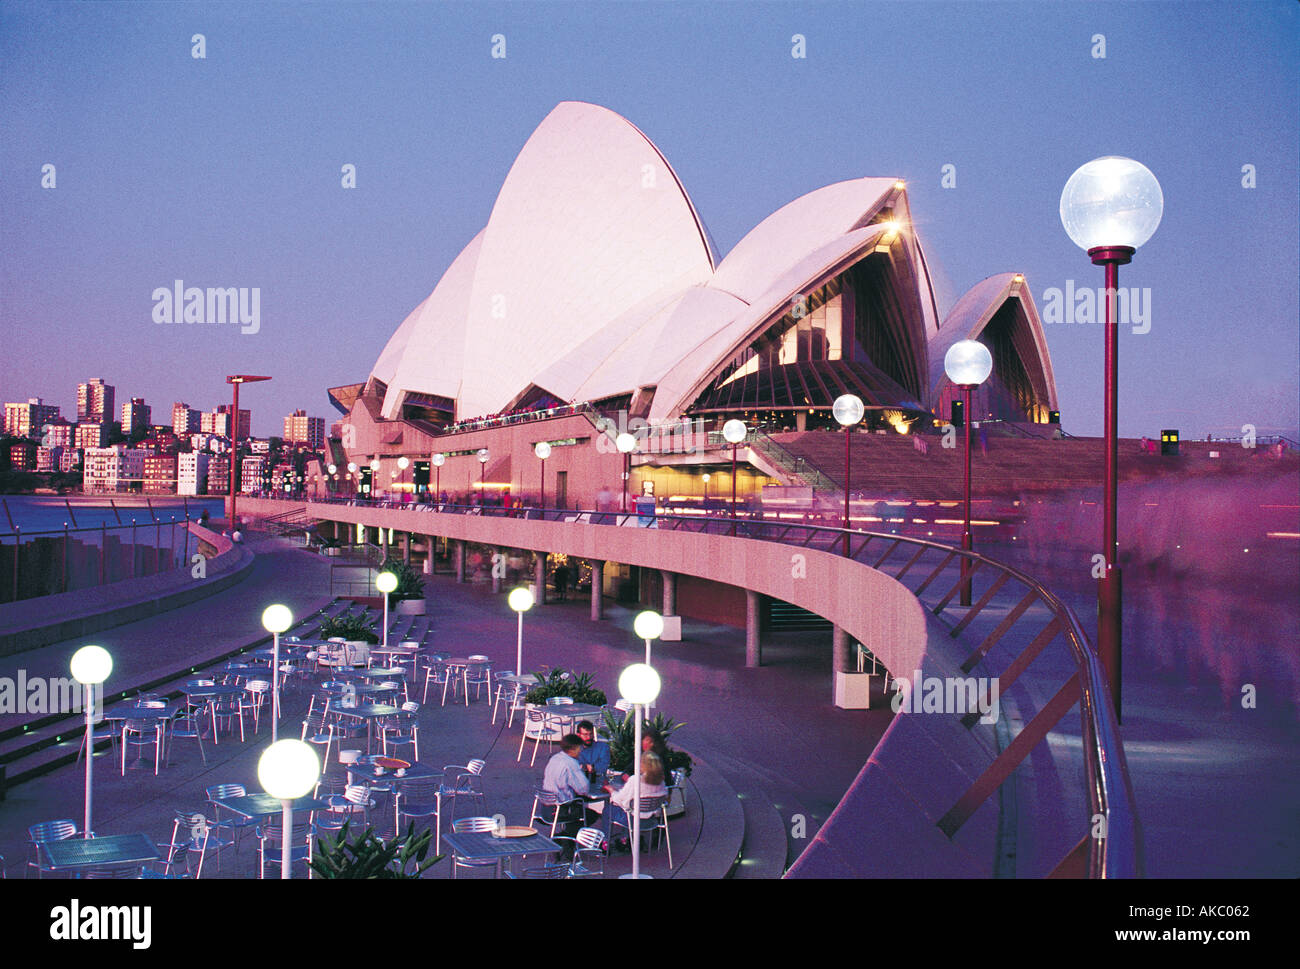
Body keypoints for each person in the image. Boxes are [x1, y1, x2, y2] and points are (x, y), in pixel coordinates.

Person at [599, 750, 668, 849]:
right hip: (651, 820)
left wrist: (611, 790)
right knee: (629, 809)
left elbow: (619, 800)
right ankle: (625, 839)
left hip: (633, 821)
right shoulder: (661, 782)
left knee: (608, 810)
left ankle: (606, 842)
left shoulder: (635, 780)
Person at [542, 734, 592, 854]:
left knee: (579, 810)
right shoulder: (571, 763)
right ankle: (565, 840)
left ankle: (563, 840)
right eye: (580, 748)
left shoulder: (555, 758)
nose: (581, 751)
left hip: (546, 807)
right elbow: (583, 789)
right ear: (573, 749)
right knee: (590, 815)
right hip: (561, 810)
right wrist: (585, 773)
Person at [575, 720, 609, 785]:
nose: (589, 737)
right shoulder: (573, 750)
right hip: (579, 785)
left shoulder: (603, 747)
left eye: (591, 734)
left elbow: (604, 766)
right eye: (585, 734)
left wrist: (591, 767)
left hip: (599, 784)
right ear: (578, 735)